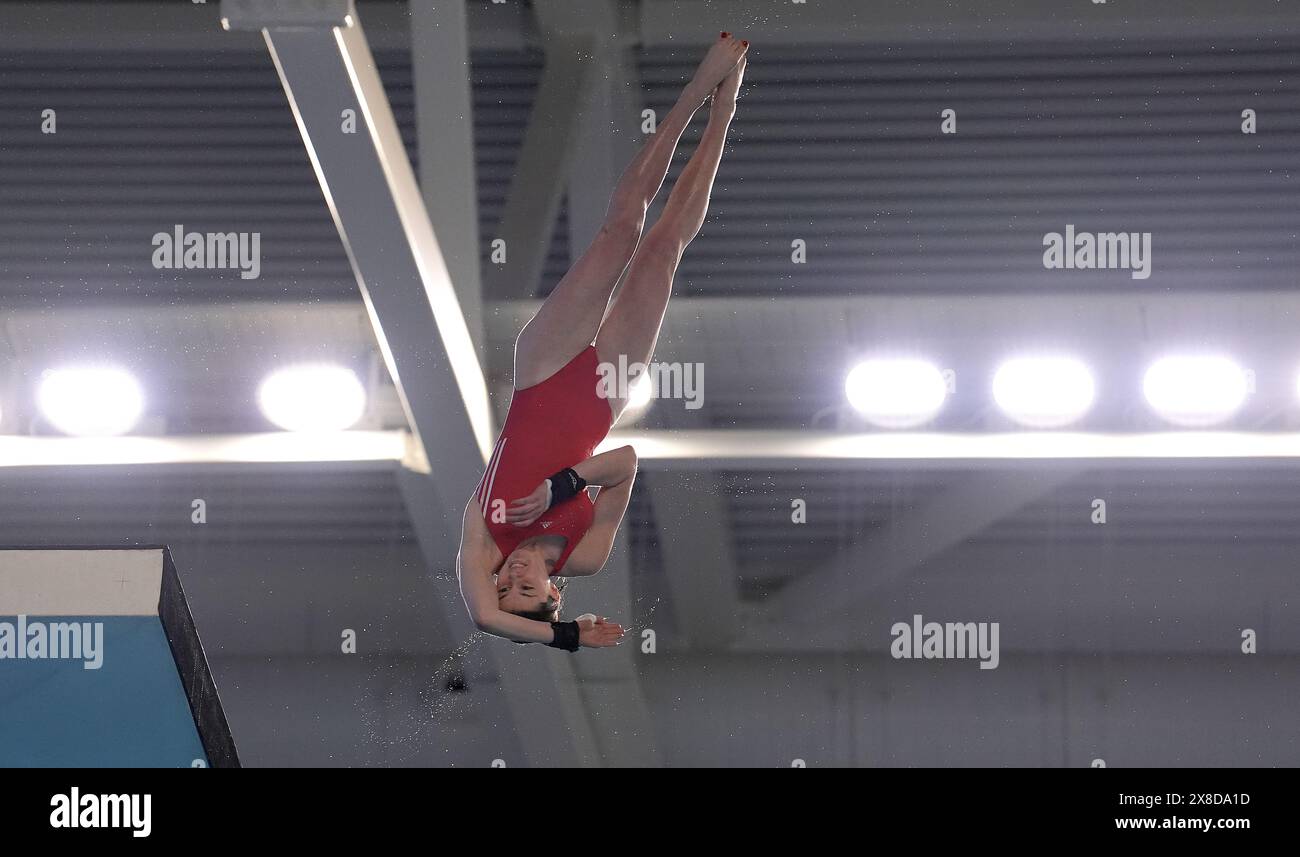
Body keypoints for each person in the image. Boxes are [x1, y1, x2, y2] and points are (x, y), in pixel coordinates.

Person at [457, 33, 749, 652]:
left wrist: (558, 637)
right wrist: (562, 488)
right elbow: (625, 463)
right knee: (664, 247)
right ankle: (724, 111)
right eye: (529, 589)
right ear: (555, 593)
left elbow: (485, 619)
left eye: (507, 586)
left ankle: (698, 89)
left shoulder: (487, 539)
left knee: (621, 231)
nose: (514, 579)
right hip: (601, 396)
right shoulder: (584, 555)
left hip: (541, 374)